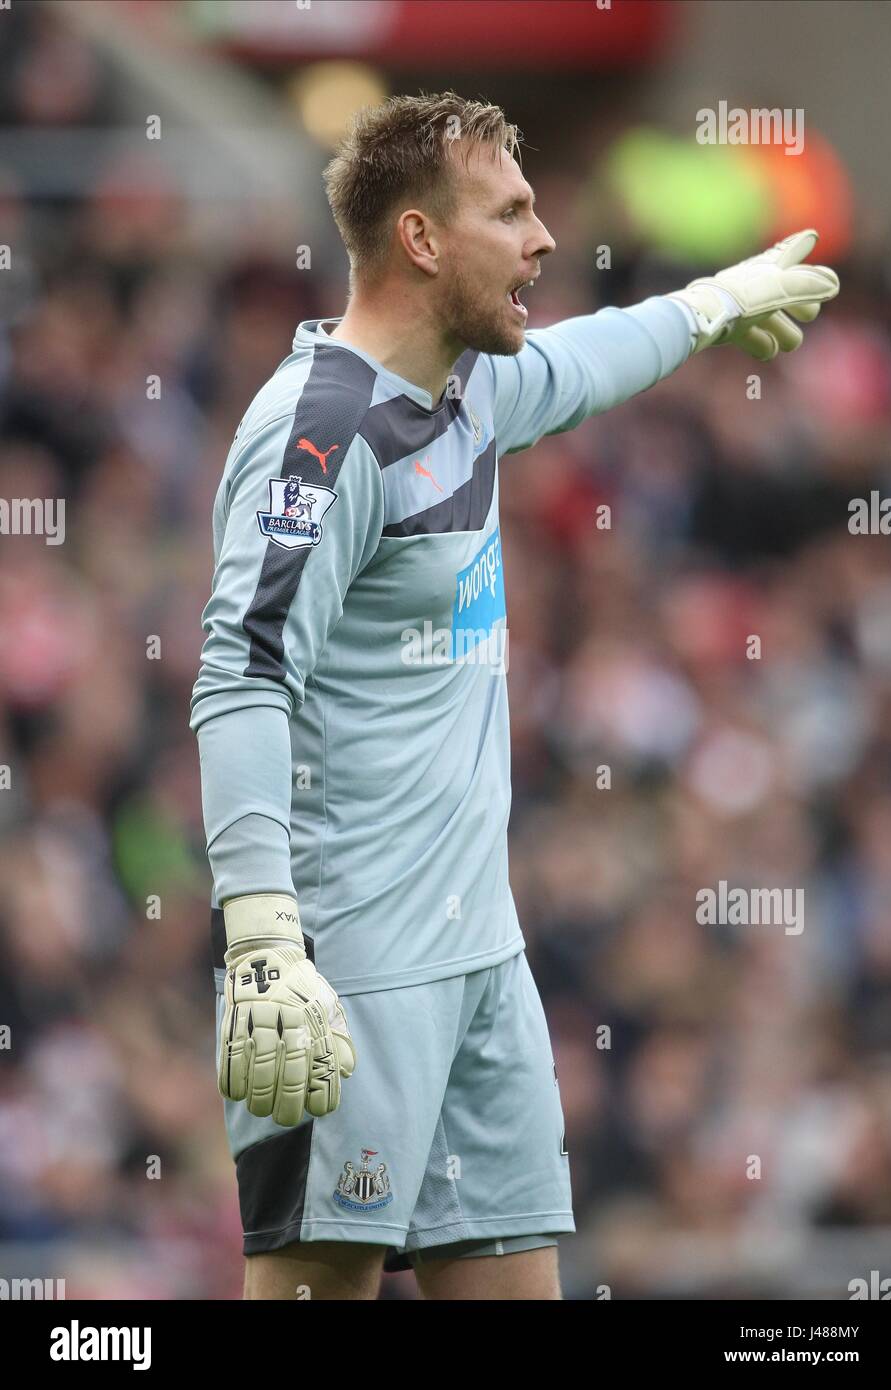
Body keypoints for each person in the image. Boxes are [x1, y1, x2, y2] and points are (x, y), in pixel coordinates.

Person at [190, 91, 838, 1300]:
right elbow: (241, 674)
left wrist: (711, 304)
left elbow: (585, 364)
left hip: (484, 959)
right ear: (422, 241)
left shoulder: (470, 391)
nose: (546, 239)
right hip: (351, 964)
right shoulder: (321, 440)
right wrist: (264, 934)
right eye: (513, 211)